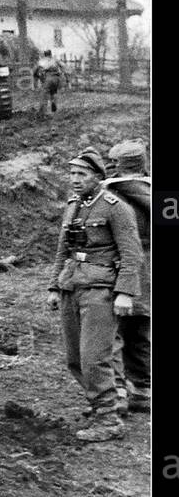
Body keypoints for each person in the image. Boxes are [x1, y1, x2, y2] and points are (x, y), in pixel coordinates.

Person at [46, 149, 143, 442]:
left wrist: (125, 293)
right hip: (71, 287)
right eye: (72, 174)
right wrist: (53, 286)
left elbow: (132, 253)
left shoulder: (115, 207)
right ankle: (99, 404)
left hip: (100, 291)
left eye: (82, 175)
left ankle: (108, 418)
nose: (75, 180)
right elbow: (63, 249)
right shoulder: (73, 205)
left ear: (98, 177)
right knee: (75, 359)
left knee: (94, 358)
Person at [105, 139, 151, 414]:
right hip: (150, 272)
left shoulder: (112, 195)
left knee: (113, 331)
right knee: (140, 330)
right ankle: (143, 391)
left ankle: (118, 392)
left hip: (122, 266)